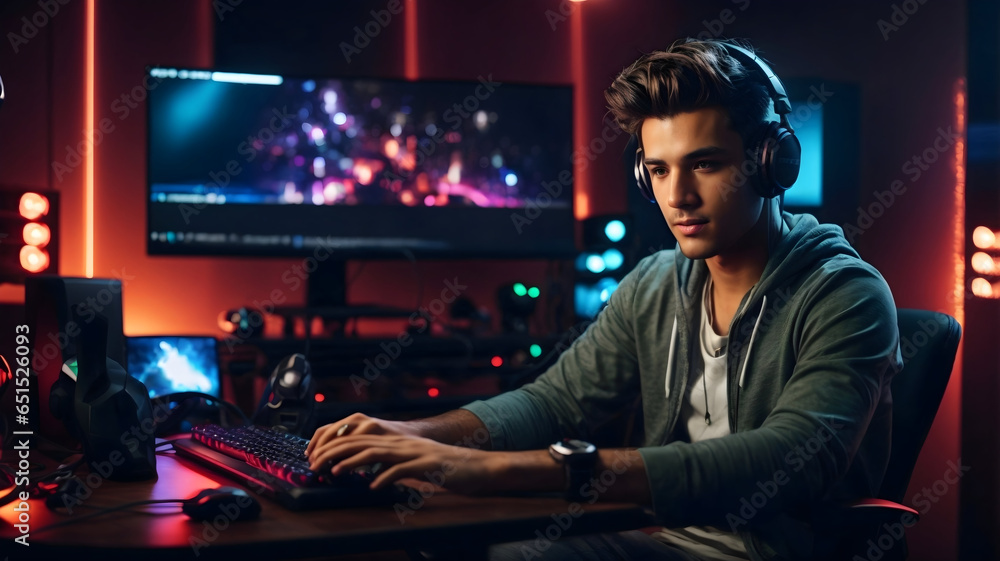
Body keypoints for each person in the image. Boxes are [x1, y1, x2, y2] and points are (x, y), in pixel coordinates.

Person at [305, 38, 902, 560]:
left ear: (773, 162)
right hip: (658, 534)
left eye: (706, 164)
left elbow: (790, 459)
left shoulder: (846, 295)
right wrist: (419, 434)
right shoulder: (654, 284)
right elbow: (554, 402)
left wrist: (504, 470)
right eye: (660, 171)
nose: (680, 197)